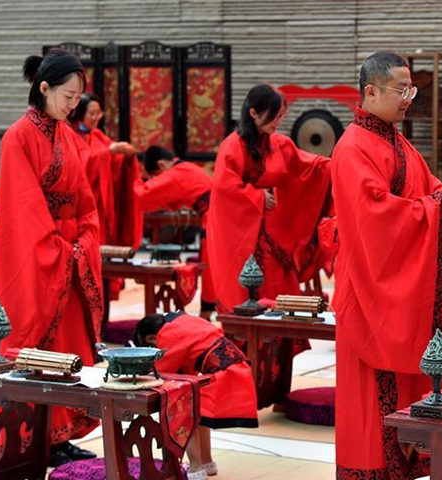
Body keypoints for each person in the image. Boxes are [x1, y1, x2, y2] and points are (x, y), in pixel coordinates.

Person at [331, 51, 442, 479]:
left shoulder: (397, 142)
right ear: (370, 92)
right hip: (367, 291)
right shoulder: (353, 147)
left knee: (408, 392)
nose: (409, 98)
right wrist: (433, 210)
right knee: (370, 406)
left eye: (411, 89)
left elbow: (427, 190)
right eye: (401, 90)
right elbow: (375, 216)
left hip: (398, 293)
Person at [0, 49, 103, 467]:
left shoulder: (66, 134)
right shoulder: (18, 136)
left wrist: (85, 240)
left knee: (67, 349)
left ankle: (58, 436)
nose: (74, 105)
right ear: (44, 88)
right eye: (69, 96)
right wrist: (58, 248)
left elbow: (84, 199)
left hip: (70, 254)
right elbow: (23, 207)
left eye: (77, 98)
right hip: (41, 258)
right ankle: (33, 438)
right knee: (38, 348)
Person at [206, 84, 332, 407]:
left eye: (281, 115)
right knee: (249, 310)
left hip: (272, 241)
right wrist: (258, 196)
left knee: (283, 308)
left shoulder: (279, 144)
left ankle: (278, 390)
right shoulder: (233, 146)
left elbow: (307, 166)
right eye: (274, 115)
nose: (279, 121)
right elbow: (224, 189)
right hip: (241, 239)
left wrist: (337, 165)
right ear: (253, 113)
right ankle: (243, 392)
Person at [134, 312, 258, 480]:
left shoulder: (169, 333)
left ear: (150, 338)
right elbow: (191, 359)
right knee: (200, 413)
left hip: (223, 375)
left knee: (187, 411)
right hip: (236, 369)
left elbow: (163, 370)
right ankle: (207, 463)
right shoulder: (184, 319)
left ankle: (195, 468)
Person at [135, 146, 215, 317]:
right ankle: (207, 316)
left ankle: (207, 317)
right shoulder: (186, 169)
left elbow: (142, 196)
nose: (158, 180)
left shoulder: (176, 174)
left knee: (211, 274)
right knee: (212, 273)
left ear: (162, 165)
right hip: (215, 218)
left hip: (214, 220)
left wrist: (133, 175)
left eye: (156, 176)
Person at [68, 92, 141, 247]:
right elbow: (79, 165)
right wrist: (108, 151)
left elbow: (114, 163)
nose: (96, 117)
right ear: (81, 114)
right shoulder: (70, 136)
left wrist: (126, 156)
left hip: (103, 203)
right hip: (84, 205)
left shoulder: (98, 135)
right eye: (92, 113)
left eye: (98, 113)